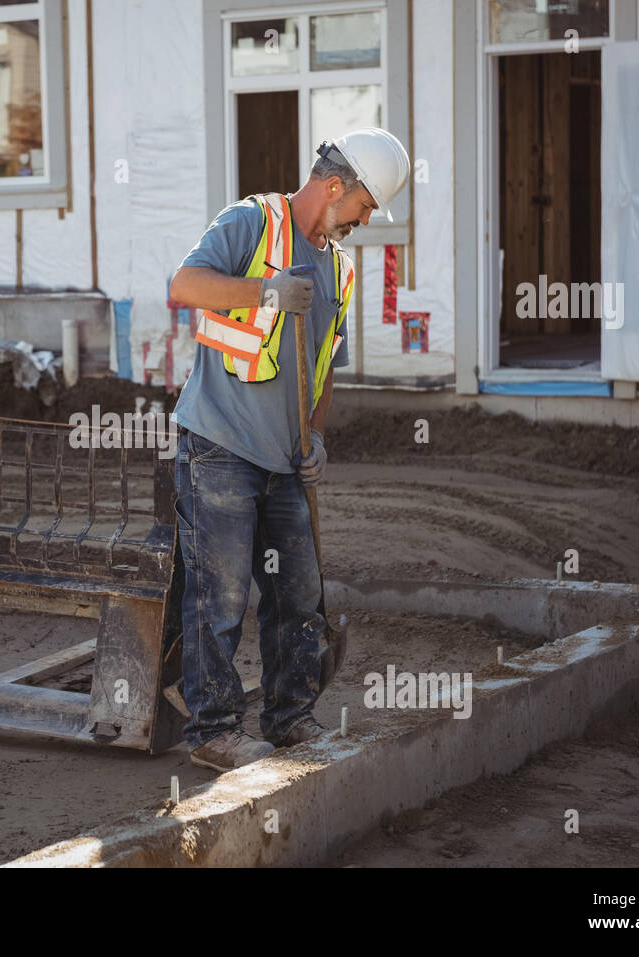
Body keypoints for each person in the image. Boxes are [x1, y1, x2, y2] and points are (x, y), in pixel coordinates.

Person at [168, 128, 411, 772]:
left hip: (285, 461)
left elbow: (325, 365)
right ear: (336, 187)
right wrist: (266, 292)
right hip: (218, 445)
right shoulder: (252, 222)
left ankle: (289, 717)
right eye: (364, 206)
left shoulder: (339, 267)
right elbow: (186, 284)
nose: (364, 220)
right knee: (218, 597)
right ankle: (213, 731)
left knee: (298, 595)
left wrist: (318, 438)